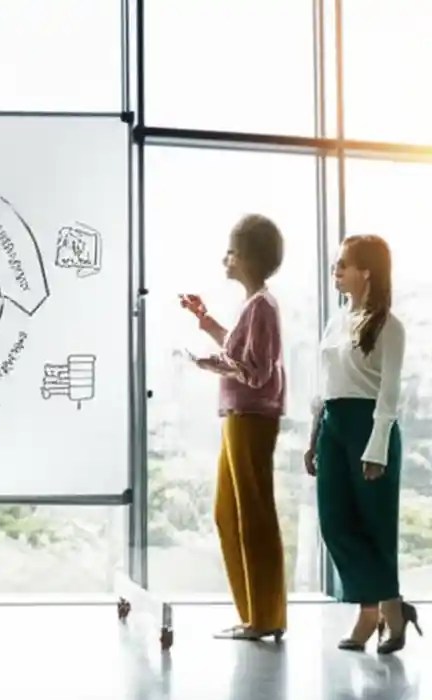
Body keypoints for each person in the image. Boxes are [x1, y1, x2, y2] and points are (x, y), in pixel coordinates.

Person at [306, 234, 417, 654]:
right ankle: (391, 605)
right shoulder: (336, 320)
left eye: (343, 265)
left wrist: (377, 447)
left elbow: (390, 393)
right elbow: (324, 386)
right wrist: (314, 436)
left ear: (366, 270)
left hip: (370, 427)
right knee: (335, 522)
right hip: (333, 426)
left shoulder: (390, 325)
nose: (336, 272)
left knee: (376, 526)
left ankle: (373, 613)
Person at [178, 214, 287, 641]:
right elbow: (241, 351)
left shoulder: (262, 305)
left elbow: (256, 373)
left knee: (253, 515)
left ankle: (264, 618)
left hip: (251, 416)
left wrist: (209, 365)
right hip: (240, 416)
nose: (225, 258)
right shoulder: (255, 304)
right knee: (229, 513)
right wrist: (204, 320)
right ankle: (256, 616)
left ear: (244, 257)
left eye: (230, 251)